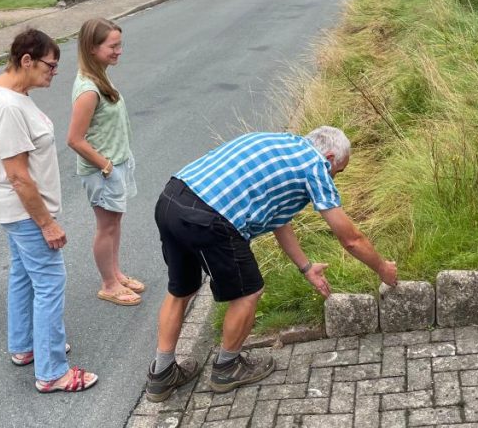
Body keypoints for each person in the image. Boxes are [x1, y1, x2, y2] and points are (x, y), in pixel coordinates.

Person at [144, 127, 398, 401]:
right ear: (329, 156)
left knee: (181, 290)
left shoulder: (282, 144)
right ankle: (227, 367)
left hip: (172, 198)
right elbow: (350, 239)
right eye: (338, 171)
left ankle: (162, 373)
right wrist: (383, 269)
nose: (334, 177)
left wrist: (306, 267)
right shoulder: (316, 165)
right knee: (248, 292)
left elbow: (279, 217)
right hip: (209, 217)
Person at [0, 29, 99, 393]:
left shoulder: (12, 93)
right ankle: (52, 372)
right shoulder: (9, 107)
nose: (54, 71)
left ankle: (25, 347)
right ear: (27, 60)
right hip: (25, 211)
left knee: (22, 275)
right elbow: (17, 175)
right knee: (49, 282)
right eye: (50, 64)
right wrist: (47, 223)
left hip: (14, 210)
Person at [67, 18, 143, 307]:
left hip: (116, 163)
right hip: (103, 171)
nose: (119, 51)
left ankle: (116, 273)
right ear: (92, 48)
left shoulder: (101, 75)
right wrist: (107, 167)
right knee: (106, 226)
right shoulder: (88, 89)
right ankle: (108, 284)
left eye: (119, 44)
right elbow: (74, 139)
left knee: (115, 222)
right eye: (112, 46)